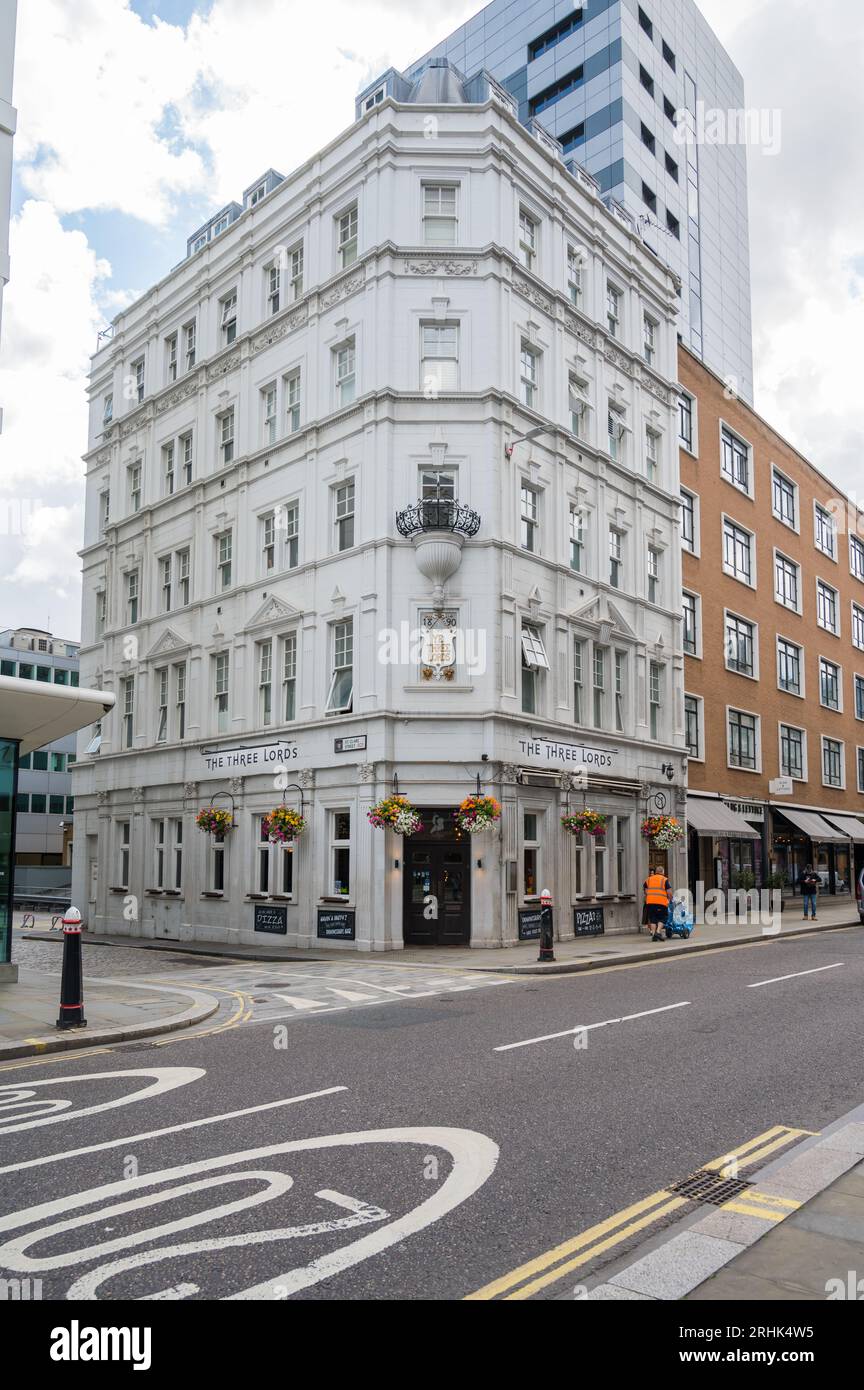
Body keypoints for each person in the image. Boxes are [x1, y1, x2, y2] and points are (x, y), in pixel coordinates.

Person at [643, 865, 673, 942]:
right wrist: (670, 899)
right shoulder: (664, 879)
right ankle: (658, 932)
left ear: (656, 872)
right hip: (661, 902)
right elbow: (669, 892)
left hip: (650, 902)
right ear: (662, 872)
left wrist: (649, 896)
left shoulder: (648, 879)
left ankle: (653, 935)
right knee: (663, 917)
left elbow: (645, 891)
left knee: (653, 918)